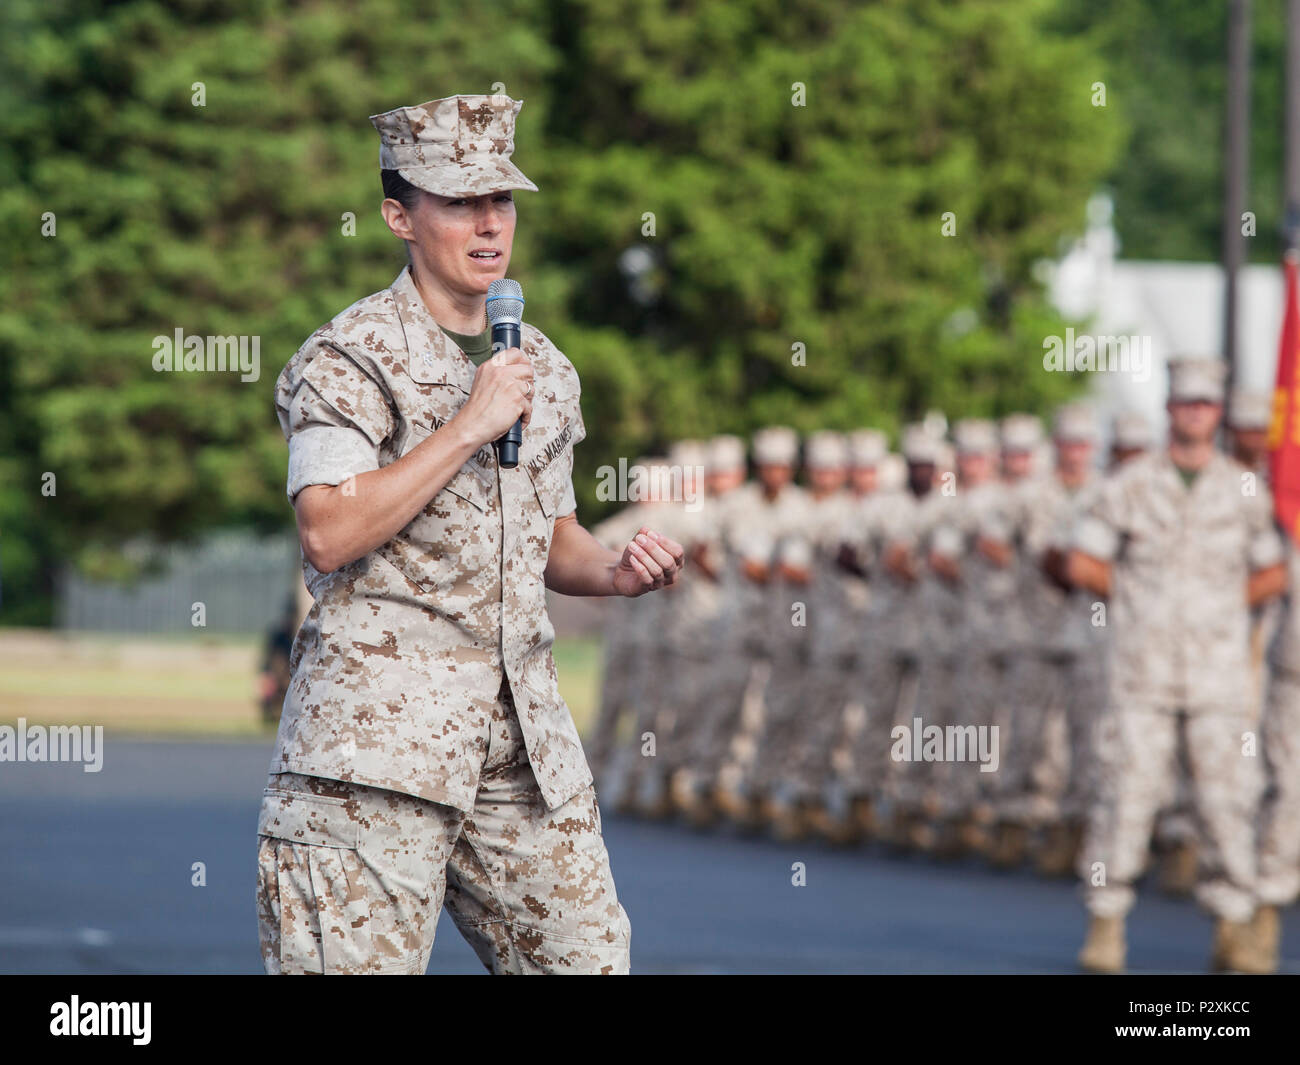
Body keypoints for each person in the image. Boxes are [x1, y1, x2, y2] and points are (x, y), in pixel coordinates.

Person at [255, 94, 684, 975]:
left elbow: (550, 537)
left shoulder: (542, 368)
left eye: (503, 201)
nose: (490, 225)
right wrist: (466, 426)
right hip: (373, 760)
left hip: (521, 756)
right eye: (460, 202)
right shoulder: (349, 357)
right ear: (399, 216)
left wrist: (614, 569)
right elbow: (328, 531)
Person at [1068, 357, 1286, 974]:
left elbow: (1271, 570)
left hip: (1218, 677)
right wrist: (1141, 602)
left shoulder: (1243, 488)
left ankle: (1233, 926)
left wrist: (1218, 608)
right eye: (1185, 403)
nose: (1196, 413)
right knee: (1127, 798)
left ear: (1218, 413)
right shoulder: (1130, 485)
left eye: (1206, 404)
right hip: (1142, 675)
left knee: (1227, 803)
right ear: (1169, 409)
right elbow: (1084, 562)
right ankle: (1106, 923)